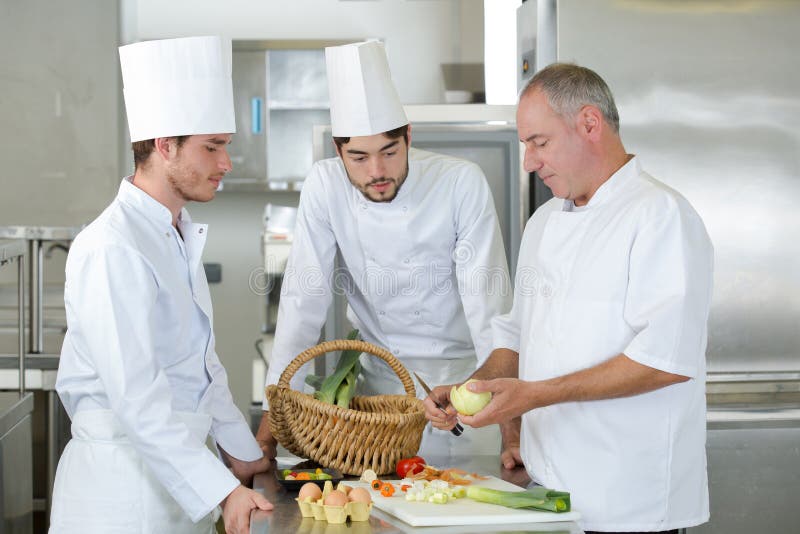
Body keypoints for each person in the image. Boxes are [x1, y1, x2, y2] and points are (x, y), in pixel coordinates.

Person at [424, 63, 714, 533]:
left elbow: (665, 359)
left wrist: (532, 396)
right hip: (547, 491)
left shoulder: (660, 216)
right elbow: (517, 337)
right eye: (526, 146)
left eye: (539, 142)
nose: (529, 162)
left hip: (629, 503)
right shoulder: (543, 222)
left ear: (589, 124)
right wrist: (473, 389)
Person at [50, 36, 272, 534]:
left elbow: (199, 366)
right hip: (120, 495)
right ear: (164, 146)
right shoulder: (112, 246)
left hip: (175, 480)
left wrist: (245, 453)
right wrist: (221, 489)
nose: (225, 164)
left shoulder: (174, 231)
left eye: (226, 147)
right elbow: (137, 399)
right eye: (211, 148)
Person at [256, 40, 512, 458]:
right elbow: (302, 306)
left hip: (465, 391)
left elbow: (491, 311)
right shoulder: (325, 186)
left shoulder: (460, 183)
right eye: (358, 157)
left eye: (389, 152)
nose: (376, 171)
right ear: (338, 151)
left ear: (409, 136)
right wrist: (267, 433)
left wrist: (510, 428)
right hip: (378, 411)